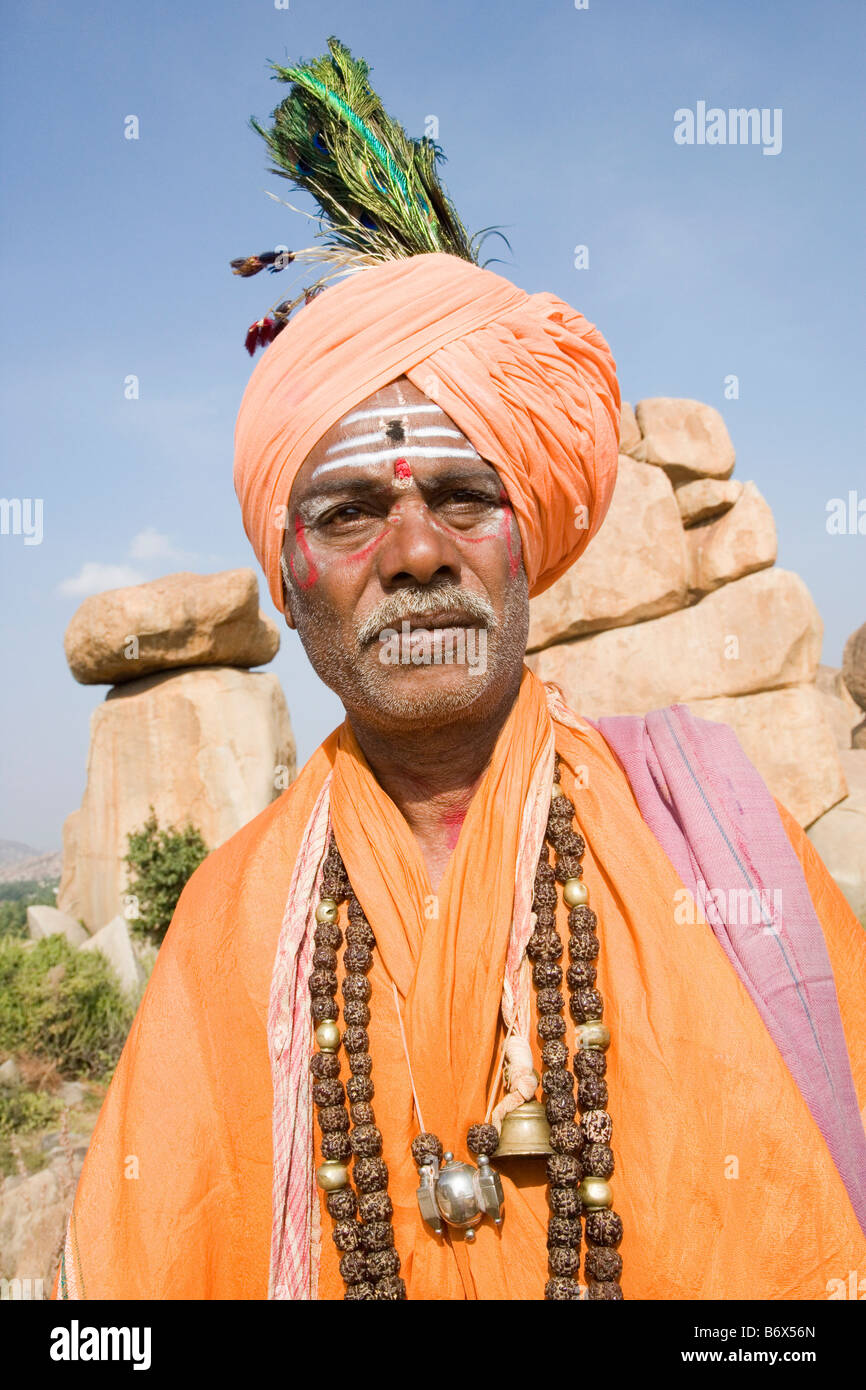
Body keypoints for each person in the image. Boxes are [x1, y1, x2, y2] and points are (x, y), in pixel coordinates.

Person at [55, 39, 866, 1302]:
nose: (417, 551)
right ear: (285, 574)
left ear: (526, 539)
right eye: (347, 517)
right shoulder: (222, 932)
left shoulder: (722, 846)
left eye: (462, 495)